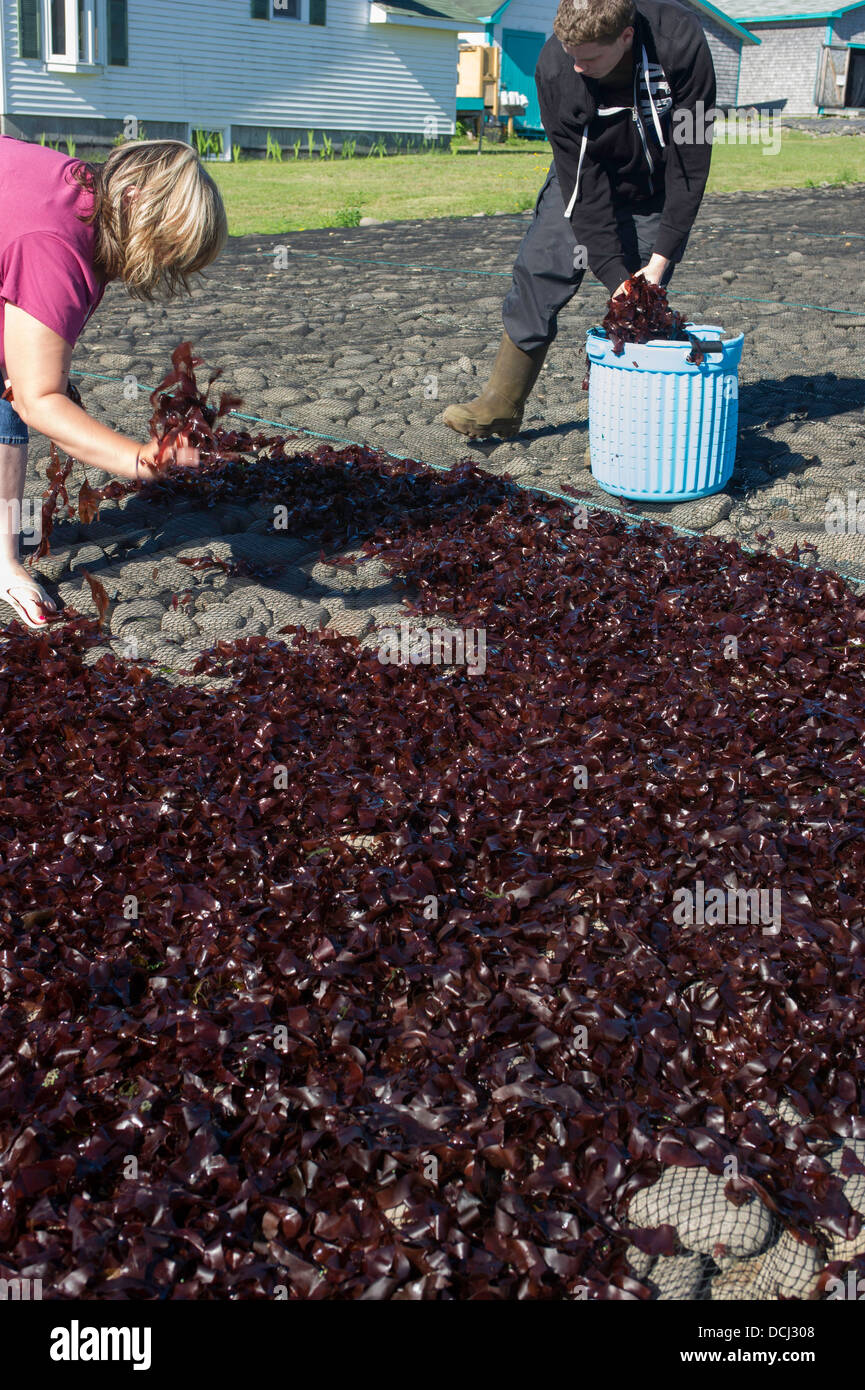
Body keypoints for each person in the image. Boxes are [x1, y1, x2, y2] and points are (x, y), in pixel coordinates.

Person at [442, 0, 715, 440]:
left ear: (625, 37)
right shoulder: (556, 67)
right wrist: (610, 271)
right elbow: (583, 188)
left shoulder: (680, 42)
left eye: (588, 58)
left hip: (657, 183)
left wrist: (660, 260)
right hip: (585, 175)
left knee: (638, 305)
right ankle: (502, 402)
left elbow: (691, 161)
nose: (578, 66)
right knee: (540, 267)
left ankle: (616, 430)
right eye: (572, 53)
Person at [0, 136, 227, 628]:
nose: (161, 265)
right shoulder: (54, 244)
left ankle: (3, 556)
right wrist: (142, 461)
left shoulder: (84, 194)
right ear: (133, 201)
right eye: (165, 247)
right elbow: (34, 400)